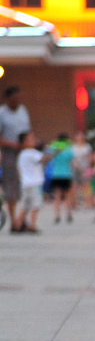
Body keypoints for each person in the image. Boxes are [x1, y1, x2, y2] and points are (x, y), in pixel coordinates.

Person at [0, 86, 32, 232]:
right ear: (7, 99)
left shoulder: (23, 110)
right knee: (11, 187)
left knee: (26, 186)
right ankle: (13, 221)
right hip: (9, 153)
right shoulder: (2, 113)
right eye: (14, 100)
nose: (17, 102)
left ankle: (23, 220)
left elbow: (28, 131)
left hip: (24, 153)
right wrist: (14, 144)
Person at [15, 131, 43, 234]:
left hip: (25, 183)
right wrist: (57, 151)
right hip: (34, 183)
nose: (34, 141)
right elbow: (43, 158)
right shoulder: (31, 153)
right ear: (24, 142)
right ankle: (32, 225)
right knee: (35, 205)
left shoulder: (21, 154)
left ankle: (18, 224)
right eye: (31, 139)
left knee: (25, 205)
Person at [46, 133, 74, 224]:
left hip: (56, 174)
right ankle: (69, 214)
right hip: (66, 174)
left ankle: (57, 215)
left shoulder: (54, 147)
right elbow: (71, 160)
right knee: (67, 196)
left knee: (57, 196)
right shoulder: (69, 148)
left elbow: (49, 155)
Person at [70, 131, 90, 215]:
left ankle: (88, 203)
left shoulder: (87, 147)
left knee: (85, 185)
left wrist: (87, 168)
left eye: (81, 136)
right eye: (78, 136)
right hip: (74, 168)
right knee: (74, 186)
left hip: (84, 168)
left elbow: (89, 157)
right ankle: (75, 203)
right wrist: (75, 165)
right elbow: (71, 158)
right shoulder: (73, 147)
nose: (80, 138)